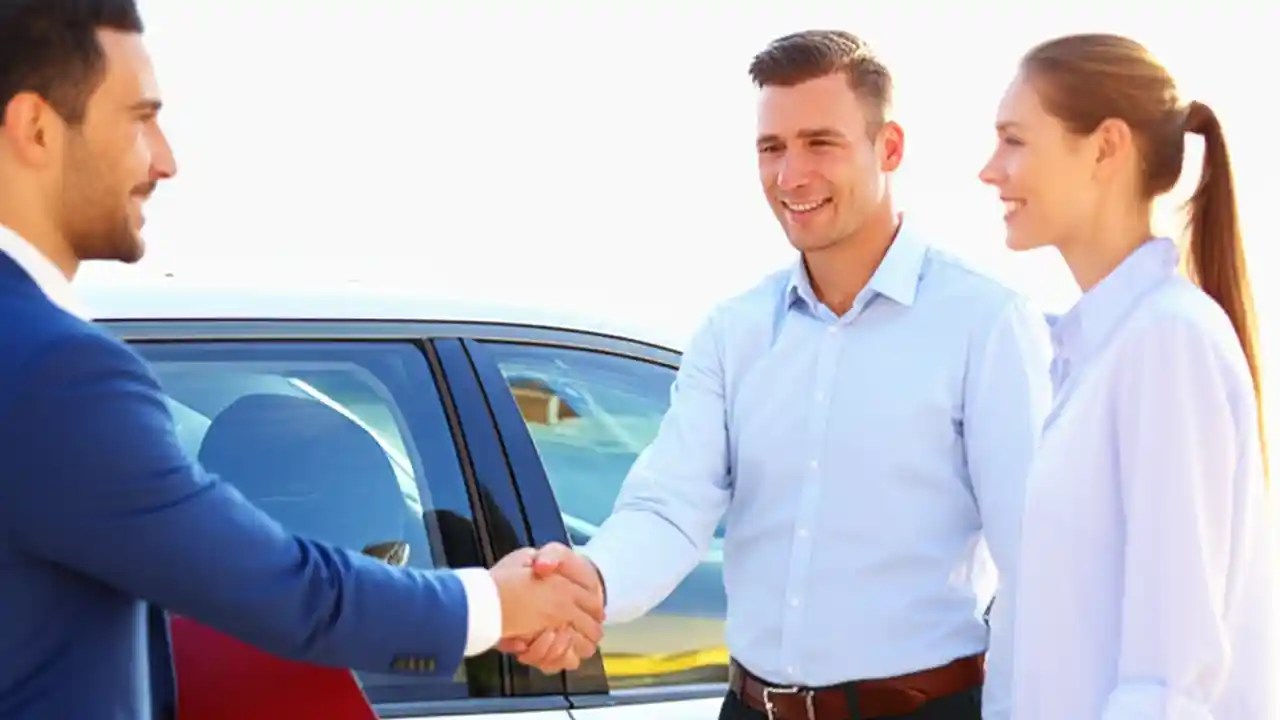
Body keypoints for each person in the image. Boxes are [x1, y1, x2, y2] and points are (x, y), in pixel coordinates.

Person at [0, 3, 603, 719]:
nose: (165, 158)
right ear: (37, 128)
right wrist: (498, 603)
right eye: (139, 117)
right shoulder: (57, 370)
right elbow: (286, 590)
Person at [509, 29, 1054, 720]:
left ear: (889, 147)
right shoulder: (733, 332)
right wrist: (591, 580)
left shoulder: (985, 323)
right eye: (772, 148)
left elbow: (1037, 567)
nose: (790, 176)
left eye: (820, 143)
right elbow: (669, 509)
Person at [978, 33, 1277, 719]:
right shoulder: (1095, 354)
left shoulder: (1167, 344)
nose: (990, 170)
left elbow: (1167, 681)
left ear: (1106, 148)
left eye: (1014, 140)